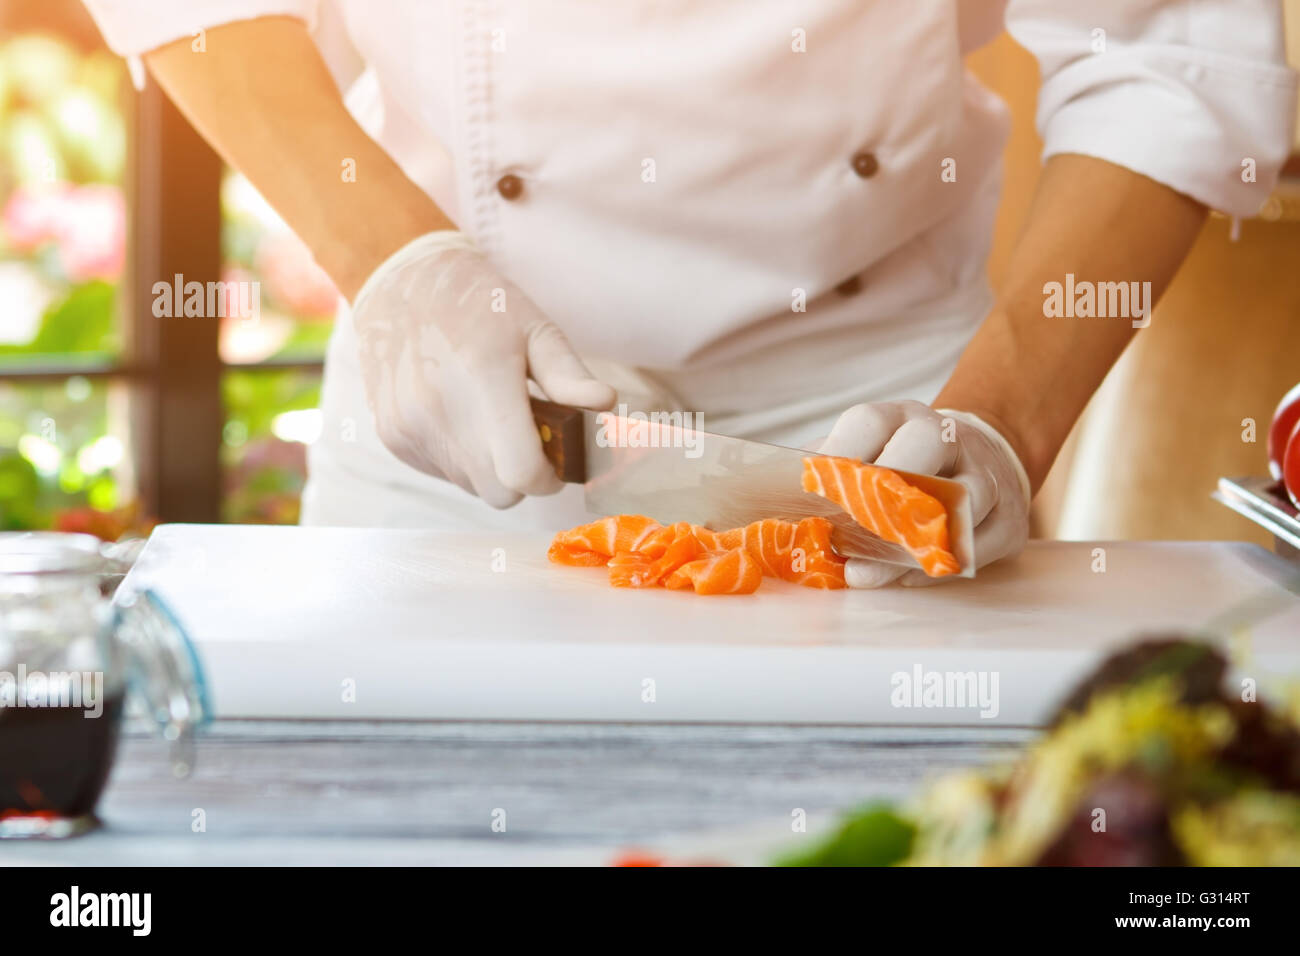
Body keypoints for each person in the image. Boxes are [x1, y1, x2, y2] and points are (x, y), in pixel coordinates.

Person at [84, 0, 1297, 586]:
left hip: (883, 413)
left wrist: (1000, 424)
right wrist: (398, 268)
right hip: (451, 411)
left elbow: (1159, 43)